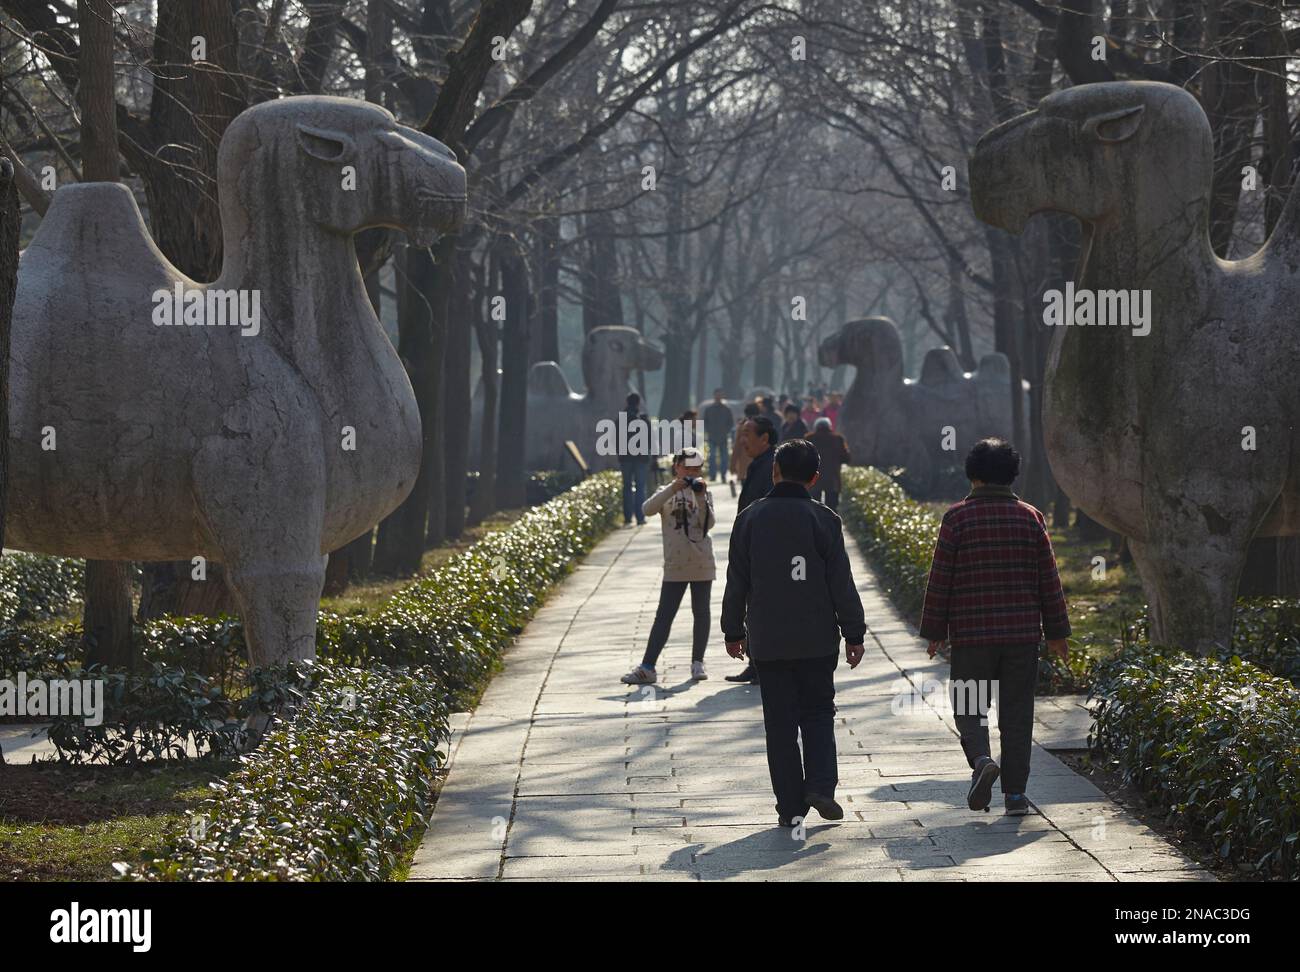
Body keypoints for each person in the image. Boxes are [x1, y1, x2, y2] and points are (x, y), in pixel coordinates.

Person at [918, 437, 1071, 817]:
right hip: (1021, 637)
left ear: (973, 476)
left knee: (970, 705)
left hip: (971, 637)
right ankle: (1016, 795)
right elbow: (1048, 581)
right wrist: (1056, 633)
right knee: (1017, 713)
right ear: (1011, 475)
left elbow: (941, 579)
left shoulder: (957, 518)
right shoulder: (1031, 517)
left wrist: (935, 630)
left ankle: (982, 760)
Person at [722, 438, 866, 827]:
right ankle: (820, 784)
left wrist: (732, 630)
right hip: (818, 640)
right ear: (816, 478)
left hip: (768, 643)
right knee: (818, 712)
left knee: (780, 724)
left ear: (774, 471)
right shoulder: (825, 520)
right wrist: (854, 633)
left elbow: (737, 581)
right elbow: (841, 584)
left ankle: (790, 806)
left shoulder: (750, 518)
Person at [621, 447, 716, 685]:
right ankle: (648, 667)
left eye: (696, 469)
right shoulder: (667, 493)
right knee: (664, 615)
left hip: (702, 561)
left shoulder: (704, 491)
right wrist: (673, 488)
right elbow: (647, 509)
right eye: (687, 468)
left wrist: (702, 497)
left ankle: (697, 663)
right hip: (675, 564)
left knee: (701, 612)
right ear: (677, 467)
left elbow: (709, 523)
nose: (692, 473)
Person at [725, 414, 779, 684]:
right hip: (751, 545)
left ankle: (763, 662)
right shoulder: (759, 463)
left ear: (765, 438)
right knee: (752, 606)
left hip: (762, 548)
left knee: (761, 609)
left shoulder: (772, 466)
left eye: (748, 434)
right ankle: (755, 662)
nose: (742, 440)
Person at [618, 392, 651, 526]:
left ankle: (627, 518)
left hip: (625, 458)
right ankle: (640, 517)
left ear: (627, 402)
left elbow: (615, 437)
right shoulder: (643, 419)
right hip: (641, 458)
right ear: (638, 403)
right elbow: (650, 439)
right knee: (640, 487)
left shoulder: (621, 419)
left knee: (626, 487)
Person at [805, 417, 851, 510]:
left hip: (814, 479)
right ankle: (829, 524)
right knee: (831, 509)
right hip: (832, 479)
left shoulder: (809, 438)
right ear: (829, 426)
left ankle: (816, 524)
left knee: (814, 508)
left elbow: (804, 457)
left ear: (816, 427)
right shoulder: (838, 438)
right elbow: (846, 458)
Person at [703, 389, 734, 483]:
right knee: (711, 456)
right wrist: (708, 431)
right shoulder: (709, 409)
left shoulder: (726, 409)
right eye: (717, 394)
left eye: (720, 394)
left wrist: (726, 431)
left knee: (724, 457)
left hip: (723, 436)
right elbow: (705, 422)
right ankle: (712, 475)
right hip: (712, 436)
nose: (718, 396)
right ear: (714, 395)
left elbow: (730, 423)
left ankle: (723, 475)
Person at [729, 402, 761, 484]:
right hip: (760, 463)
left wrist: (733, 464)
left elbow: (737, 446)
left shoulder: (742, 426)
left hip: (745, 464)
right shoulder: (763, 425)